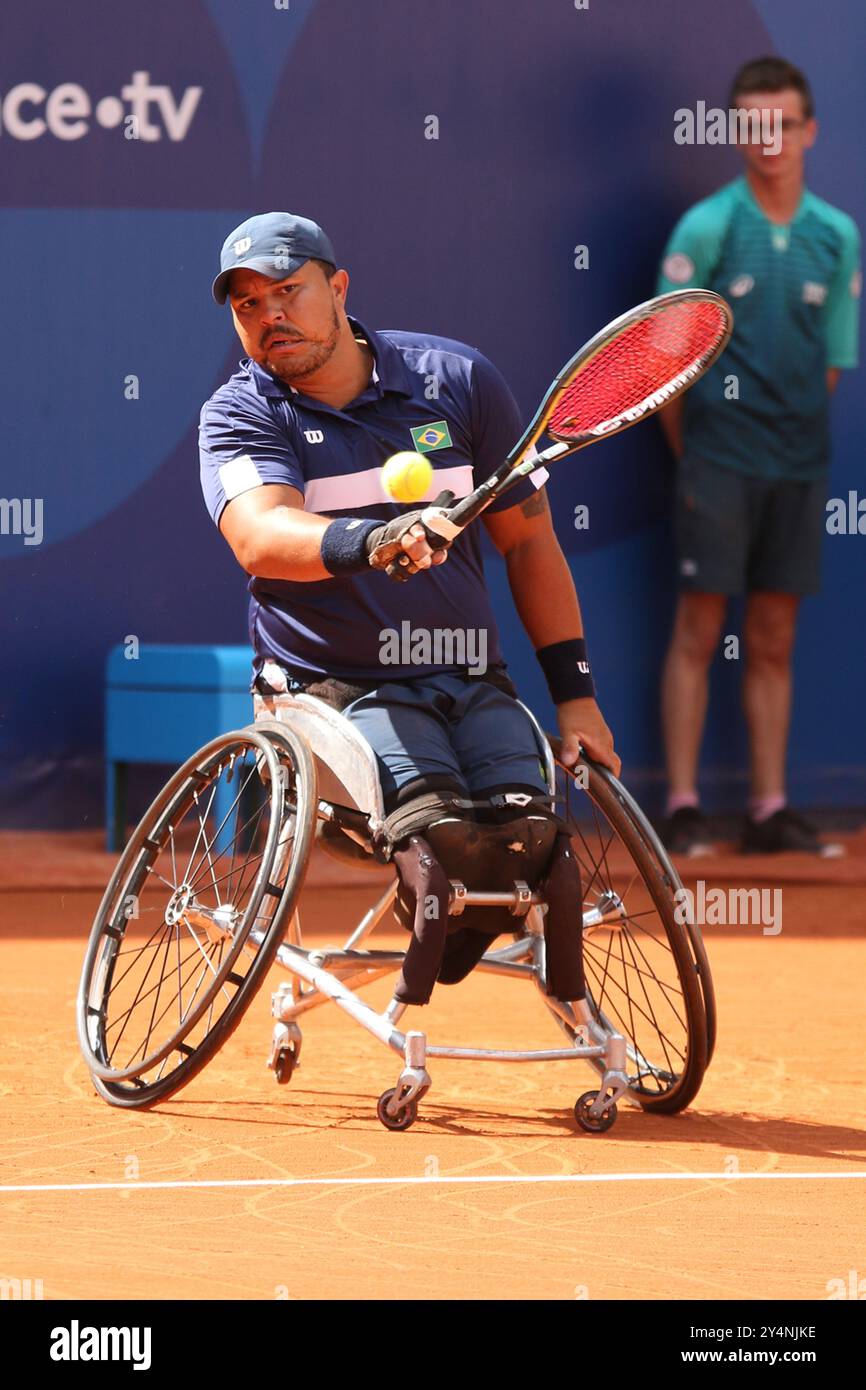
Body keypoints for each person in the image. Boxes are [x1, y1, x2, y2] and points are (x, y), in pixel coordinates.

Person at [198, 211, 619, 1003]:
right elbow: (259, 533)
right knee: (449, 838)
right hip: (330, 690)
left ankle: (518, 964)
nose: (270, 317)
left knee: (531, 838)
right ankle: (422, 988)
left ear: (339, 287)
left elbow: (529, 546)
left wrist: (577, 696)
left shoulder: (456, 382)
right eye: (247, 305)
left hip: (469, 678)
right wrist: (374, 539)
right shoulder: (240, 413)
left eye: (288, 291)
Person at [656, 57, 860, 855]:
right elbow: (662, 369)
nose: (769, 138)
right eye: (753, 123)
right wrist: (700, 455)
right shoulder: (706, 228)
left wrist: (784, 438)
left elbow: (832, 360)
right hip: (717, 462)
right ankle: (680, 807)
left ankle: (770, 810)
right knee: (699, 631)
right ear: (738, 131)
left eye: (783, 123)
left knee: (774, 636)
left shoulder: (837, 235)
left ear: (808, 131)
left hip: (799, 464)